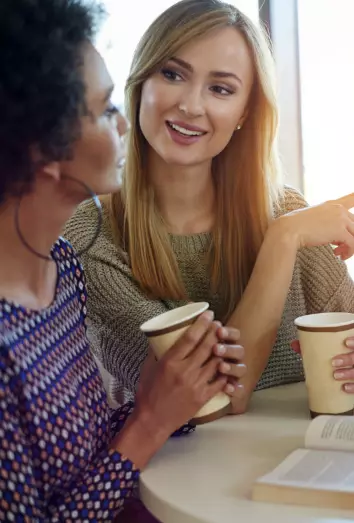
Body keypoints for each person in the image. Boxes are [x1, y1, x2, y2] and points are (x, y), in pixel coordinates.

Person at [0, 0, 245, 521]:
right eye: (106, 108)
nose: (124, 124)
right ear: (42, 148)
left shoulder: (61, 269)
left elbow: (89, 459)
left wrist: (166, 392)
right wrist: (151, 422)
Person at [65, 0, 354, 415]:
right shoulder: (90, 235)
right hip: (172, 480)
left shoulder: (288, 210)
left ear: (244, 112)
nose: (191, 105)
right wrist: (282, 239)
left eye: (220, 88)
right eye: (173, 74)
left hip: (297, 469)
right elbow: (213, 399)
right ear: (141, 82)